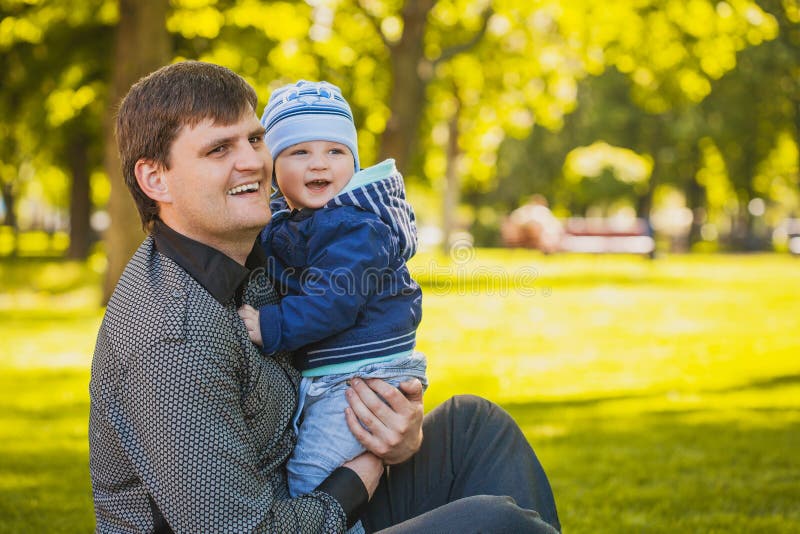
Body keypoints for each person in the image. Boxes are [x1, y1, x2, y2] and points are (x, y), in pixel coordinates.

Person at [88, 60, 561, 533]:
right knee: (497, 524)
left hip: (309, 496)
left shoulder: (255, 253)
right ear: (155, 179)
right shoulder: (171, 339)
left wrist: (397, 435)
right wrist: (368, 466)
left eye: (255, 139)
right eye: (218, 149)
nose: (253, 161)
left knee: (474, 427)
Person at [236, 81, 427, 507]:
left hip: (362, 376)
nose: (318, 164)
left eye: (335, 152)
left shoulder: (354, 226)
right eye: (299, 152)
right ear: (272, 167)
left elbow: (334, 300)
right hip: (347, 372)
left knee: (312, 480)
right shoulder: (304, 219)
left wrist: (272, 326)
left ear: (354, 162)